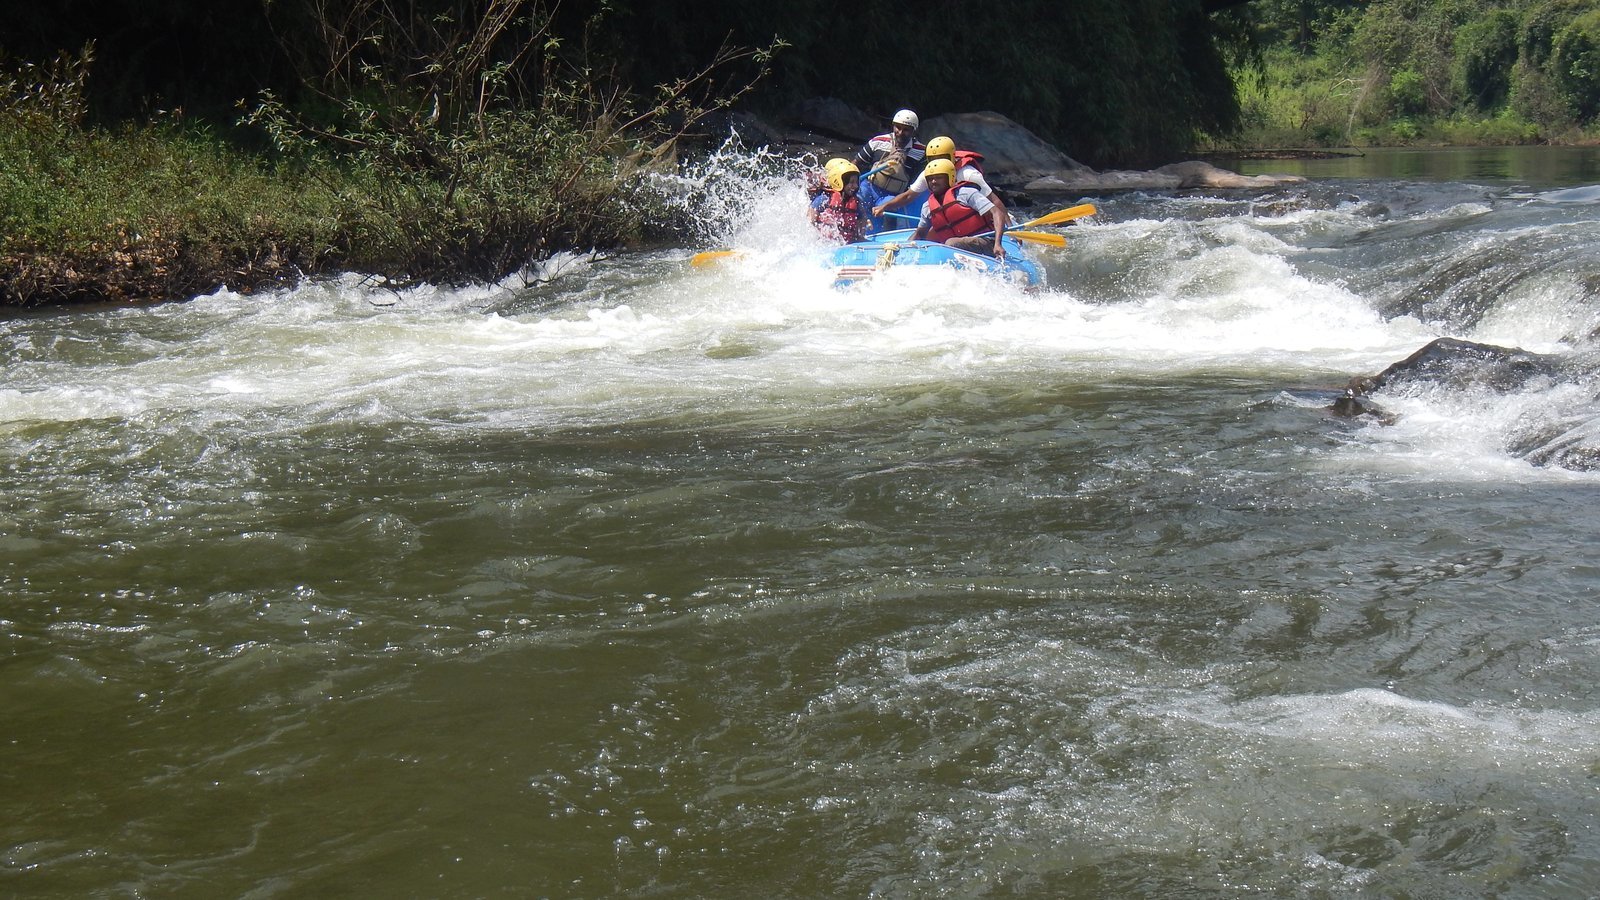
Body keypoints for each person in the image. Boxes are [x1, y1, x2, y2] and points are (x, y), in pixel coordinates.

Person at [873, 135, 1004, 226]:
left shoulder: (968, 173)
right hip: (950, 219)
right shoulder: (929, 173)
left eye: (943, 157)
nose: (938, 162)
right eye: (934, 159)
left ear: (952, 156)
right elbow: (908, 196)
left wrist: (1008, 229)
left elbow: (994, 201)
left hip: (974, 216)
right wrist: (884, 207)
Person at [912, 158, 1006, 259]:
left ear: (950, 178)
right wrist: (902, 246)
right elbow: (919, 234)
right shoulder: (927, 207)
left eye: (939, 178)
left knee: (950, 243)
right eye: (930, 179)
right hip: (955, 249)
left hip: (985, 242)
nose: (933, 181)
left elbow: (997, 213)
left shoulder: (966, 193)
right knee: (948, 244)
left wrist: (997, 243)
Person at [852, 109, 926, 233]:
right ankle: (852, 232)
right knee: (856, 200)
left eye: (906, 129)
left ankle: (887, 241)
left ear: (914, 131)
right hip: (870, 186)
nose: (900, 132)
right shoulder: (878, 142)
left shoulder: (921, 152)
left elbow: (918, 181)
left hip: (892, 194)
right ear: (893, 126)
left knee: (890, 209)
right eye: (898, 127)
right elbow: (855, 164)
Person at [809, 158, 871, 244]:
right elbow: (811, 218)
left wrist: (860, 235)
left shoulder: (856, 202)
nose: (855, 186)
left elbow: (862, 217)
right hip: (827, 242)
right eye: (851, 182)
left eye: (856, 182)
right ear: (839, 181)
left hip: (848, 242)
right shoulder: (825, 198)